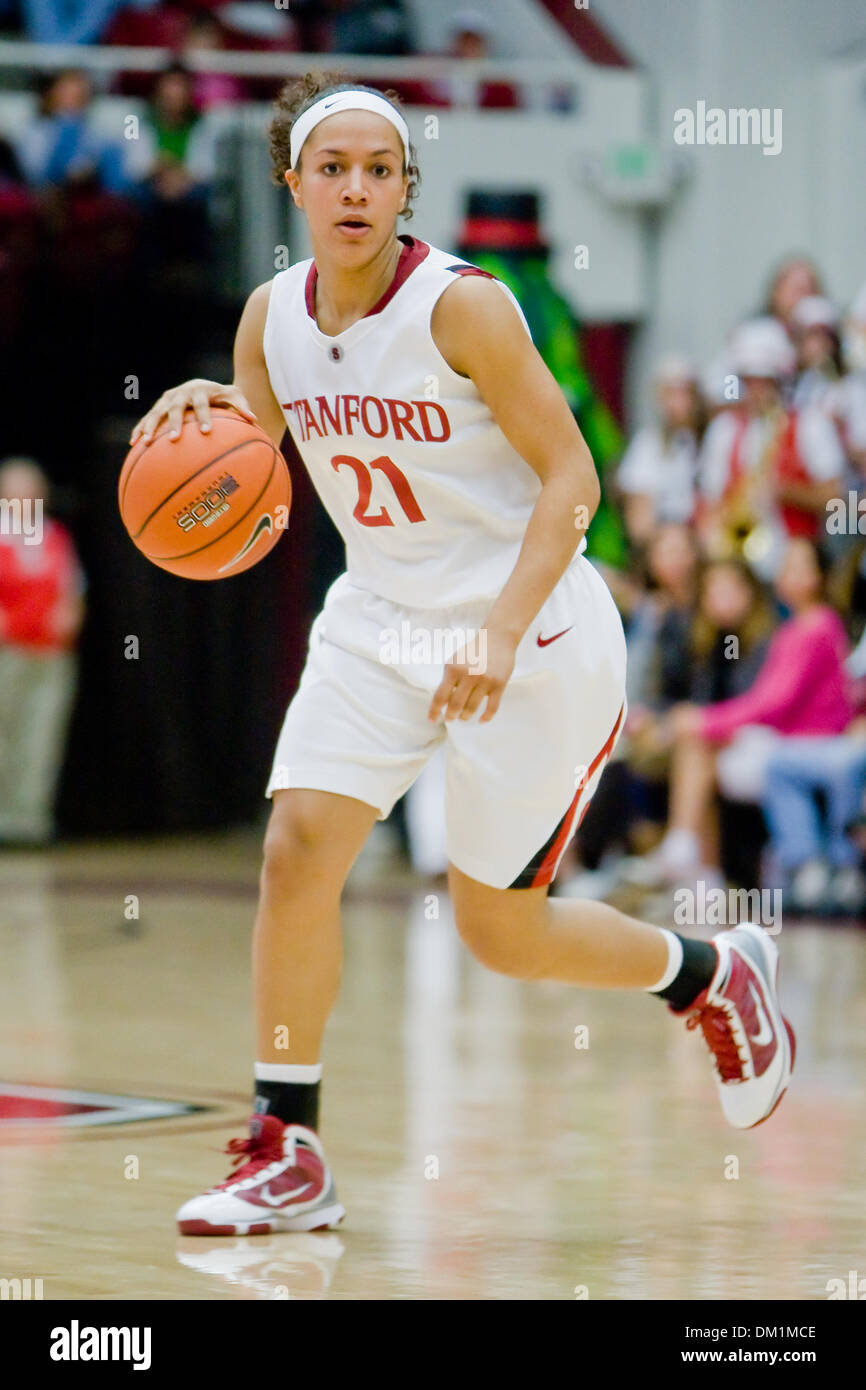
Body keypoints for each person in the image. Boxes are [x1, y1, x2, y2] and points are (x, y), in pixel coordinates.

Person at [130, 77, 796, 1237]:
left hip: (528, 633)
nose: (353, 189)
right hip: (380, 618)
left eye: (377, 170)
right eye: (329, 166)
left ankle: (708, 975)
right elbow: (251, 457)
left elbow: (573, 485)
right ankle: (286, 1146)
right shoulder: (270, 317)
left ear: (402, 189)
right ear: (291, 179)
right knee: (295, 851)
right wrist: (207, 415)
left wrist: (493, 634)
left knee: (501, 933)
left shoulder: (463, 309)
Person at [657, 538, 855, 886]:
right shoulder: (793, 628)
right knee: (697, 748)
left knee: (698, 746)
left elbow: (771, 703)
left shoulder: (815, 626)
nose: (789, 575)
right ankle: (693, 862)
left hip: (801, 745)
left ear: (821, 576)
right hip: (783, 739)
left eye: (800, 567)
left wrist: (704, 722)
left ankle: (686, 850)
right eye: (786, 567)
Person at [0, 458, 85, 844]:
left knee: (41, 735)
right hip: (8, 653)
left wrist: (68, 618)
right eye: (18, 488)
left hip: (49, 655)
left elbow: (73, 590)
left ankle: (29, 820)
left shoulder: (53, 536)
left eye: (32, 488)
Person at [616, 355, 704, 548]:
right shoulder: (647, 444)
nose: (678, 403)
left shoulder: (707, 439)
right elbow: (638, 518)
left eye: (684, 394)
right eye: (670, 394)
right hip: (663, 539)